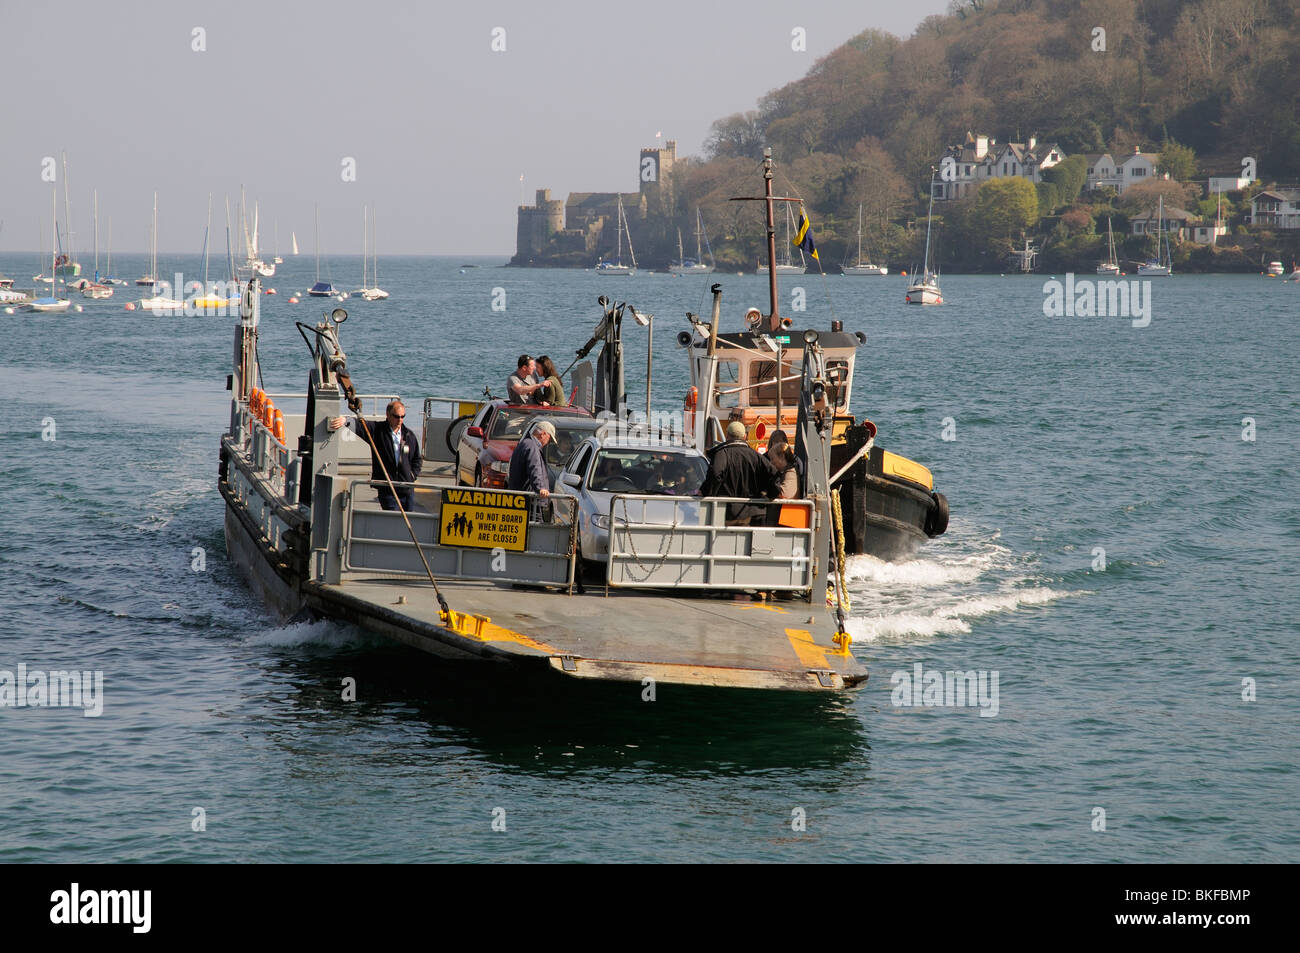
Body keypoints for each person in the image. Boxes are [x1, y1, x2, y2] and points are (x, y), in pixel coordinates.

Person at [328, 399, 421, 511]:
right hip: (387, 489)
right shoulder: (377, 431)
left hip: (407, 489)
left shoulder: (409, 435)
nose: (400, 420)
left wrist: (411, 475)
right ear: (388, 415)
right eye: (396, 416)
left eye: (402, 416)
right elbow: (361, 426)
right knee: (393, 520)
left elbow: (417, 459)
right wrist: (345, 420)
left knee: (408, 521)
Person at [701, 420, 779, 525]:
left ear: (727, 436)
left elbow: (715, 474)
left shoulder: (722, 454)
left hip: (727, 513)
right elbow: (774, 475)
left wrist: (706, 492)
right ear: (745, 437)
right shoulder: (756, 456)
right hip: (755, 514)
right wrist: (770, 494)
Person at [507, 419, 554, 497]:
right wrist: (540, 488)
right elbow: (534, 468)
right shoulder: (532, 447)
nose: (548, 442)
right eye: (549, 438)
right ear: (543, 434)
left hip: (519, 496)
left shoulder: (526, 443)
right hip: (528, 499)